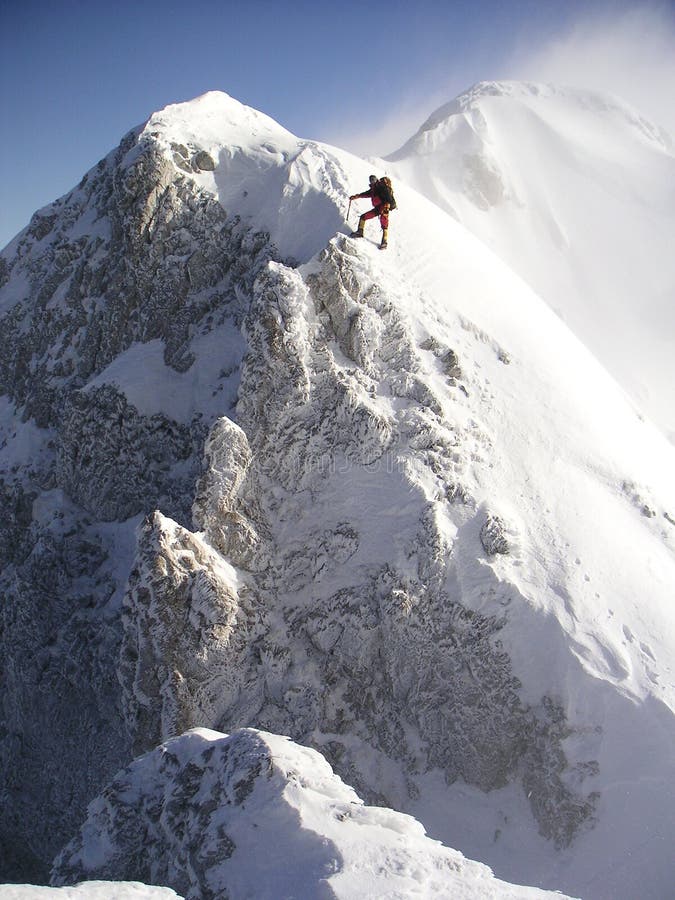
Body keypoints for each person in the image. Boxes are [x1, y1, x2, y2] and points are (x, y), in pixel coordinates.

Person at [349, 175, 395, 249]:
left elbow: (388, 198)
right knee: (363, 217)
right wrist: (356, 196)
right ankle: (360, 232)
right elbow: (365, 194)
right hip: (379, 208)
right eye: (371, 180)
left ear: (376, 180)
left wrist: (387, 206)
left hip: (384, 207)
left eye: (373, 180)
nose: (372, 181)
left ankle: (384, 242)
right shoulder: (374, 189)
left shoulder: (381, 188)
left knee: (384, 224)